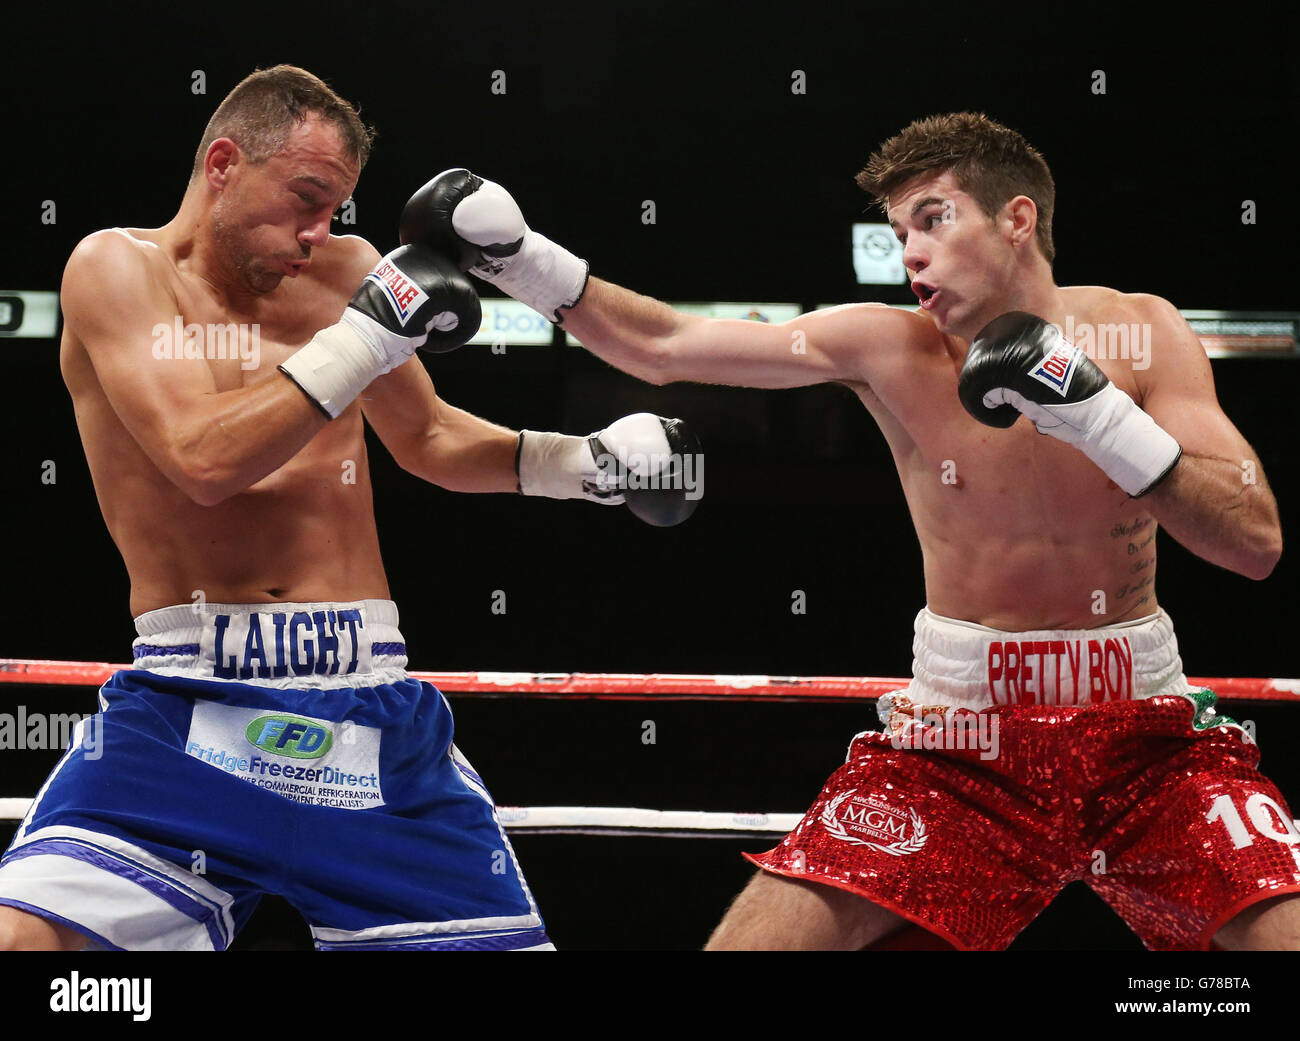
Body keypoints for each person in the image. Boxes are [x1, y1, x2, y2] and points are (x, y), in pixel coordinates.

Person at [407, 112, 1300, 950]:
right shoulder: (885, 346)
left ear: (1017, 217)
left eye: (933, 219)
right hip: (958, 744)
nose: (910, 251)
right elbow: (665, 346)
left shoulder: (1142, 332)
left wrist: (1101, 413)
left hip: (1147, 736)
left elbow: (1254, 541)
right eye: (899, 230)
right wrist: (523, 260)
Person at [0, 64, 695, 951]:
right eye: (304, 197)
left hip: (366, 705)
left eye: (335, 208)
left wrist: (586, 464)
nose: (318, 230)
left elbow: (431, 439)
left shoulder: (346, 273)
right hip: (186, 705)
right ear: (222, 163)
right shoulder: (114, 269)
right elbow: (201, 459)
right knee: (29, 948)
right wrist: (363, 336)